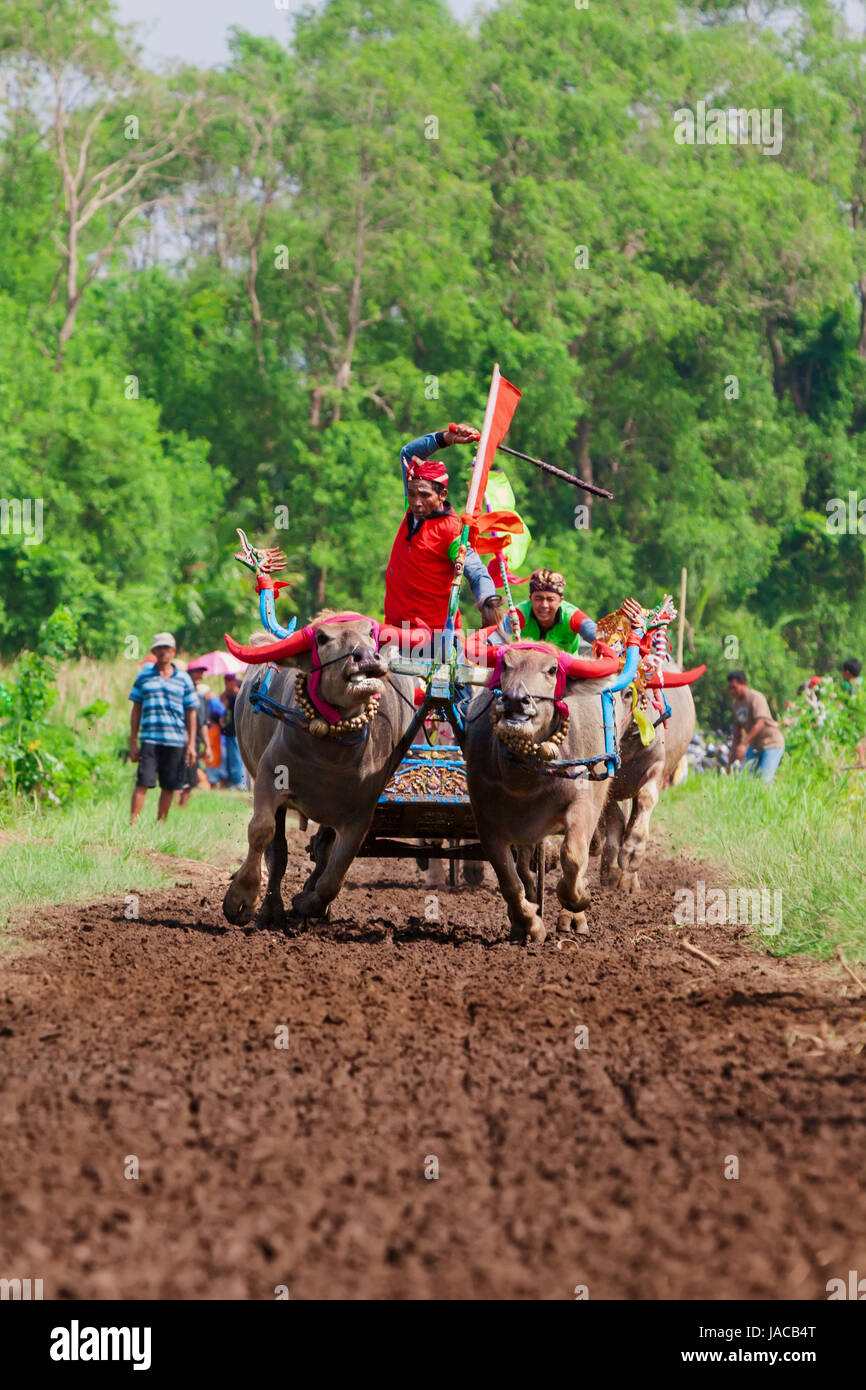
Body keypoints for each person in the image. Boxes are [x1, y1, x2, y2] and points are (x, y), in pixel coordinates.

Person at [384, 423, 502, 648]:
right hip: (394, 634)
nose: (417, 501)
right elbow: (408, 453)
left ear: (442, 495)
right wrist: (448, 438)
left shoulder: (451, 531)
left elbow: (477, 573)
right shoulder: (412, 509)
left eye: (424, 495)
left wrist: (488, 600)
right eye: (411, 494)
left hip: (435, 640)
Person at [129, 633, 198, 823]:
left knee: (169, 785)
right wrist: (133, 741)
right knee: (143, 781)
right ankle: (133, 824)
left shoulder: (184, 679)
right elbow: (136, 709)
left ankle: (161, 824)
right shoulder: (143, 677)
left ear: (173, 652)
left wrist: (191, 744)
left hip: (175, 740)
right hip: (150, 738)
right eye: (159, 648)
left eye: (166, 648)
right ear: (154, 651)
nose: (162, 652)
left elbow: (191, 712)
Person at [497, 569, 644, 652]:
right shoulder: (518, 614)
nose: (544, 605)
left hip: (564, 675)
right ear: (530, 598)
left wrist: (630, 636)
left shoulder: (573, 616)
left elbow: (601, 638)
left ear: (561, 600)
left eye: (550, 599)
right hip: (523, 674)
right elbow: (494, 635)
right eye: (538, 598)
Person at [727, 670, 785, 783]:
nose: (731, 691)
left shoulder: (755, 698)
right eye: (729, 688)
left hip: (772, 744)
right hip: (755, 745)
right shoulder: (736, 704)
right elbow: (738, 731)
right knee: (744, 778)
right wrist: (732, 755)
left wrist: (744, 744)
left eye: (734, 687)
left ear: (744, 684)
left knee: (764, 780)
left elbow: (760, 723)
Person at [178, 664, 211, 806]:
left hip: (195, 742)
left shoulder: (202, 698)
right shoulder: (180, 694)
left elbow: (203, 723)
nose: (199, 676)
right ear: (188, 674)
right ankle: (173, 806)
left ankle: (182, 809)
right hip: (179, 740)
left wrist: (208, 746)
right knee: (178, 774)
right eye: (196, 673)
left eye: (201, 673)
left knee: (191, 776)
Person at [221, 673, 244, 790]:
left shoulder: (238, 695)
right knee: (231, 757)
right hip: (229, 731)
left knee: (236, 757)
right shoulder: (227, 696)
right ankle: (233, 781)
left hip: (236, 731)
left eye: (231, 681)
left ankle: (238, 782)